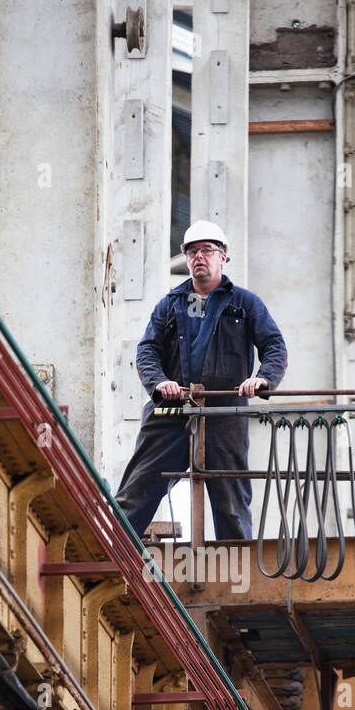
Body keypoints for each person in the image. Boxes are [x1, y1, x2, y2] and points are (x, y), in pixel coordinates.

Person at [114, 220, 288, 540]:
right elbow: (147, 351)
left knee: (231, 501)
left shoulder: (245, 304)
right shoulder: (170, 304)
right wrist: (159, 383)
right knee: (138, 488)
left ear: (223, 257)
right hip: (172, 411)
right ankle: (111, 553)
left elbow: (274, 346)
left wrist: (263, 379)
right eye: (192, 251)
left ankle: (238, 565)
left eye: (207, 250)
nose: (199, 257)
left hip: (224, 412)